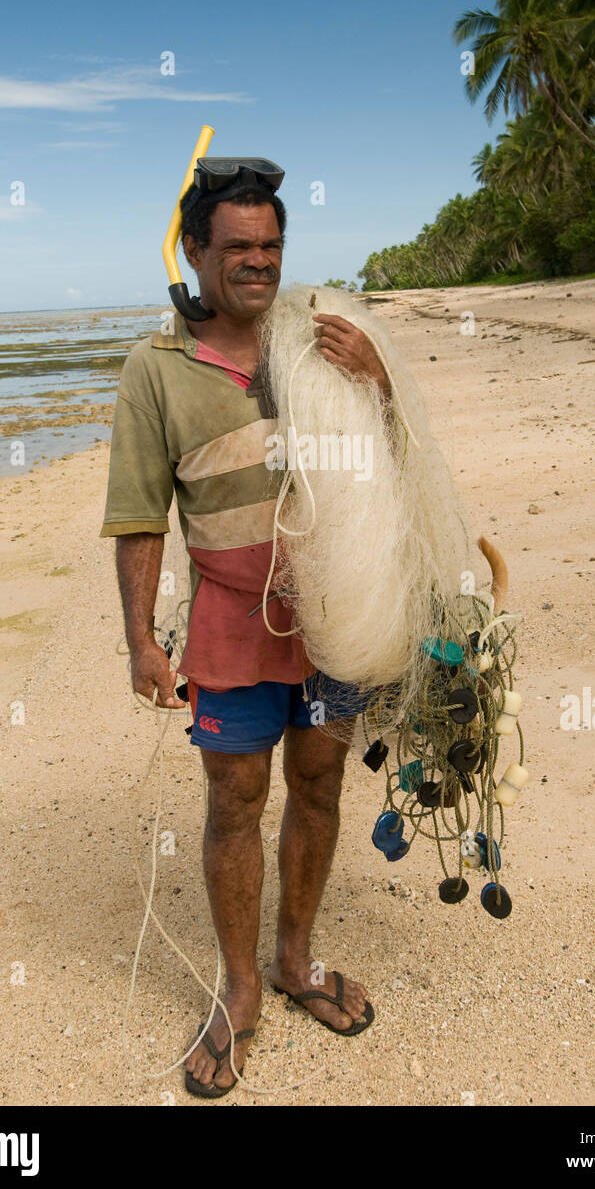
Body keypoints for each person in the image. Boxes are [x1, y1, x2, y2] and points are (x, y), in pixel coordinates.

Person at [100, 157, 392, 1098]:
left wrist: (379, 384)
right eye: (237, 247)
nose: (257, 263)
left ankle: (294, 962)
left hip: (335, 615)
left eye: (270, 245)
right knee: (234, 804)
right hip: (229, 624)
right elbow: (140, 514)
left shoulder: (316, 343)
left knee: (319, 785)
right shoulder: (156, 369)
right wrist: (143, 637)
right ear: (194, 251)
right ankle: (237, 991)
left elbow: (391, 466)